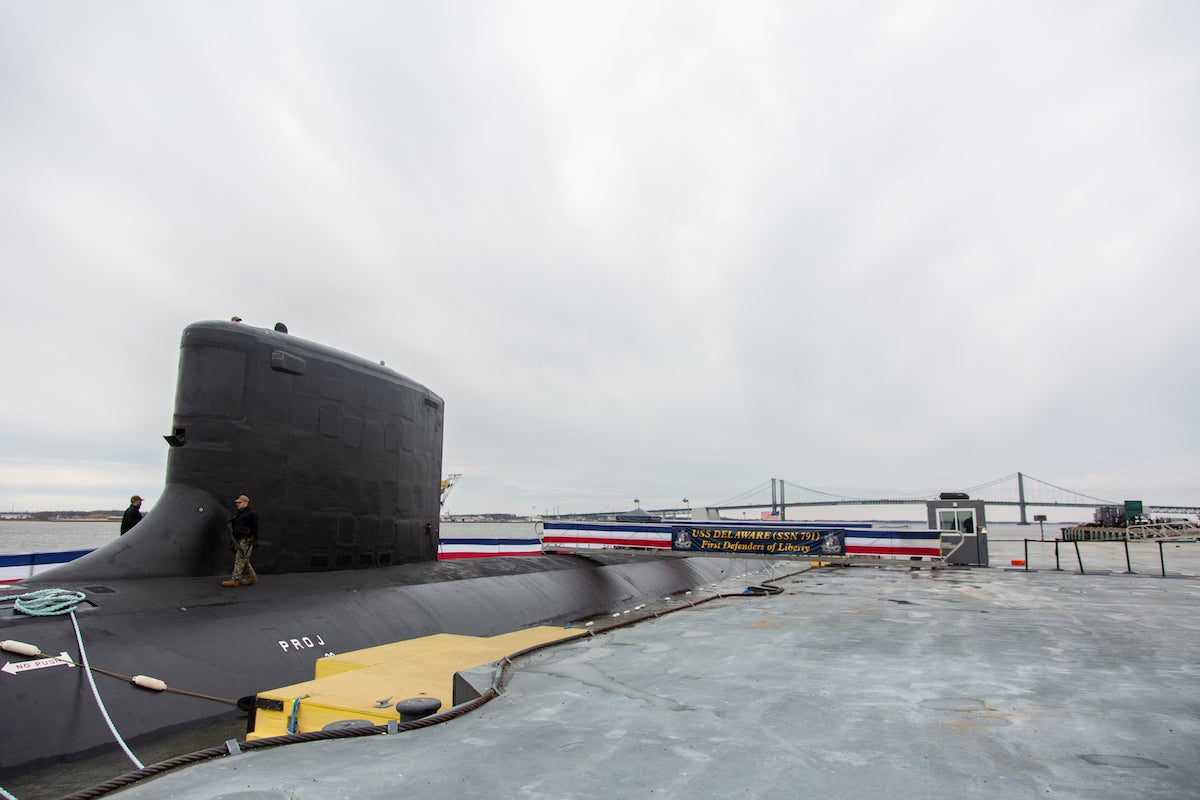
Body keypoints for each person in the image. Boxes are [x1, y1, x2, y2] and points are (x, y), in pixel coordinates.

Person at [222, 495, 259, 588]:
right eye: (237, 503)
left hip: (246, 539)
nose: (237, 504)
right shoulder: (239, 513)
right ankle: (252, 577)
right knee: (243, 558)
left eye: (240, 502)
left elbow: (255, 528)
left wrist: (254, 539)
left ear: (246, 503)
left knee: (240, 558)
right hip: (239, 539)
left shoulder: (251, 513)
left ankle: (235, 580)